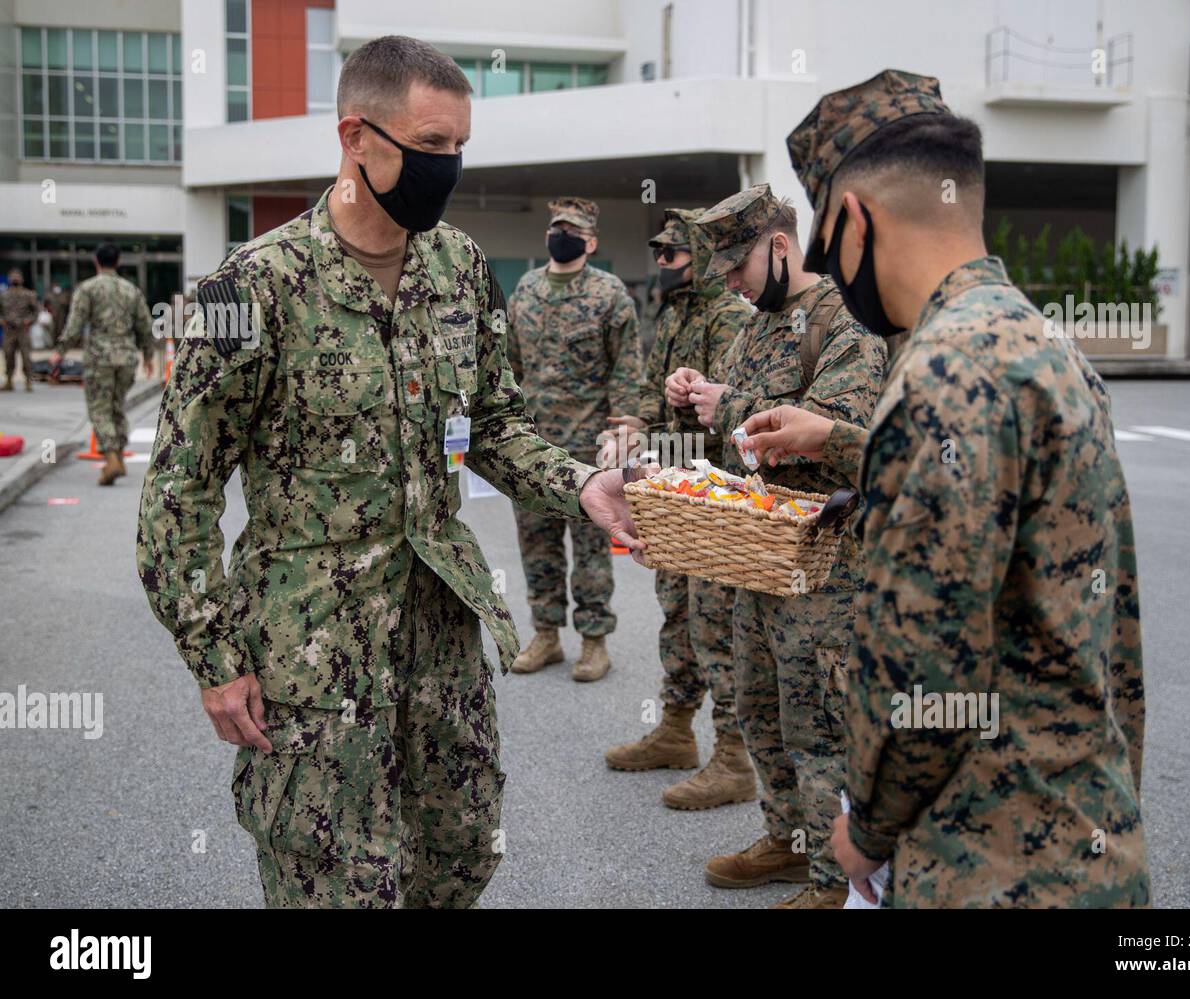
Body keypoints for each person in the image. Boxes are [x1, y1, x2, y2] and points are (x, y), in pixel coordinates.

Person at [136, 35, 640, 909]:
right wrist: (213, 658)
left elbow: (493, 424)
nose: (446, 168)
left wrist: (578, 484)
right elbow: (176, 494)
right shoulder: (247, 292)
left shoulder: (461, 268)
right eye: (431, 145)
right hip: (313, 666)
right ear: (355, 137)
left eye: (459, 148)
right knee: (336, 889)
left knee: (460, 858)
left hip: (442, 652)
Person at [739, 69, 1149, 907]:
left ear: (853, 222)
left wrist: (867, 827)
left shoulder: (942, 375)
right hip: (1087, 837)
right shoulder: (1046, 344)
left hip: (985, 859)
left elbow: (923, 664)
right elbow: (1116, 631)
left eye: (826, 249)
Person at [674, 184, 887, 908]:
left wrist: (725, 403)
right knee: (759, 708)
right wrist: (695, 395)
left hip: (824, 571)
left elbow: (828, 432)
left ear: (779, 244)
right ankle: (787, 841)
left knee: (817, 726)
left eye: (737, 266)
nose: (730, 283)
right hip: (759, 559)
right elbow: (739, 445)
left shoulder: (845, 322)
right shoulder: (752, 327)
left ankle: (834, 878)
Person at [602, 208, 756, 810]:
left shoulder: (727, 316)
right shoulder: (670, 311)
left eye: (672, 254)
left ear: (699, 257)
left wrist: (669, 438)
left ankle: (734, 761)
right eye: (658, 253)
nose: (661, 263)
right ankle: (674, 731)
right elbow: (647, 384)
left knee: (716, 623)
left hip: (712, 494)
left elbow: (729, 423)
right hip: (673, 486)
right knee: (675, 611)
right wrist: (636, 425)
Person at [504, 197, 642, 683]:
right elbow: (511, 366)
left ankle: (594, 641)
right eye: (556, 228)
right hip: (534, 448)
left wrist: (624, 434)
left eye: (572, 230)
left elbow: (627, 371)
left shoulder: (609, 295)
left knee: (590, 549)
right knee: (536, 546)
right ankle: (546, 634)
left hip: (590, 449)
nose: (562, 236)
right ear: (547, 237)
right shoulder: (525, 290)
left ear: (591, 241)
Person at [50, 246, 154, 485]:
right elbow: (145, 325)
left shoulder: (88, 288)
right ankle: (119, 456)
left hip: (100, 358)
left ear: (96, 261)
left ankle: (110, 458)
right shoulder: (131, 290)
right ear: (117, 261)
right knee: (117, 406)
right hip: (127, 358)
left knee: (99, 409)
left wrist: (60, 351)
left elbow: (75, 324)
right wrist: (148, 356)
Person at [1, 268, 39, 392]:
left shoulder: (29, 295)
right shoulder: (3, 295)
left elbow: (35, 311)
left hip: (23, 330)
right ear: (9, 279)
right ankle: (9, 380)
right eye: (13, 277)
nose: (15, 279)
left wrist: (29, 321)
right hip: (9, 331)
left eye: (17, 277)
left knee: (26, 356)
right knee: (8, 355)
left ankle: (28, 380)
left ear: (22, 280)